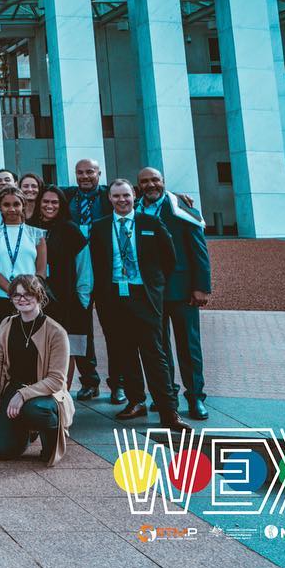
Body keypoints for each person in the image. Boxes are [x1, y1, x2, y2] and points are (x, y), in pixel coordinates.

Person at [89, 179, 190, 431]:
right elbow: (97, 263)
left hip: (144, 297)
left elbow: (169, 259)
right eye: (116, 196)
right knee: (124, 353)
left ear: (134, 195)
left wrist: (154, 286)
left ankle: (168, 410)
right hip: (114, 298)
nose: (121, 200)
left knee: (155, 354)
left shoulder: (151, 223)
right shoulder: (100, 227)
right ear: (109, 199)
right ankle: (136, 401)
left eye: (125, 195)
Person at [137, 167, 211, 420]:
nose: (150, 185)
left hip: (182, 290)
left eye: (155, 180)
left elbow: (199, 249)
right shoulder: (135, 209)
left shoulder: (182, 208)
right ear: (138, 186)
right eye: (144, 181)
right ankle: (168, 396)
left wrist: (201, 286)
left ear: (163, 181)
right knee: (159, 348)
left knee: (189, 346)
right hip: (150, 292)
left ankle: (196, 397)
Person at [0, 274, 75, 466]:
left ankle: (49, 437)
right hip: (14, 387)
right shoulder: (7, 324)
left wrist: (22, 395)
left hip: (46, 394)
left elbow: (56, 381)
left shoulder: (56, 332)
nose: (22, 299)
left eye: (28, 294)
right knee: (1, 450)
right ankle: (25, 432)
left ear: (39, 296)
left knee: (35, 410)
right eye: (16, 295)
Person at [63, 158, 114, 402]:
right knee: (81, 330)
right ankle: (90, 381)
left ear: (99, 173)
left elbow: (140, 193)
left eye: (89, 172)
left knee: (112, 329)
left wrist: (177, 197)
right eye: (80, 172)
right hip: (77, 271)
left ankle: (118, 383)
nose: (84, 176)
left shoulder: (108, 196)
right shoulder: (67, 196)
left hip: (105, 271)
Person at [30, 187, 92, 368]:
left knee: (67, 350)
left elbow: (84, 266)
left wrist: (83, 299)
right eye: (45, 201)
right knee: (39, 350)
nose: (49, 206)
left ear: (62, 205)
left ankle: (63, 387)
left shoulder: (70, 229)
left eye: (54, 202)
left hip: (67, 299)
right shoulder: (30, 228)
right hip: (37, 300)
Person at [0, 188, 48, 325]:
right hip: (4, 295)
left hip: (31, 295)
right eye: (6, 205)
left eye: (16, 204)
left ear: (23, 205)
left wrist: (27, 293)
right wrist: (15, 293)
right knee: (7, 335)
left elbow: (41, 271)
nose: (12, 209)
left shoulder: (37, 234)